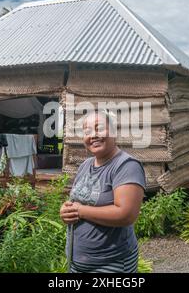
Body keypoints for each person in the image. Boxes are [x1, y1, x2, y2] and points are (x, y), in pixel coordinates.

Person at [60, 110, 146, 273]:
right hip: (77, 263)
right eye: (87, 131)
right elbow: (78, 200)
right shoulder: (86, 165)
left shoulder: (126, 166)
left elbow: (126, 214)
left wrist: (80, 211)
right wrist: (67, 210)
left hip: (110, 264)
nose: (93, 135)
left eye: (99, 128)